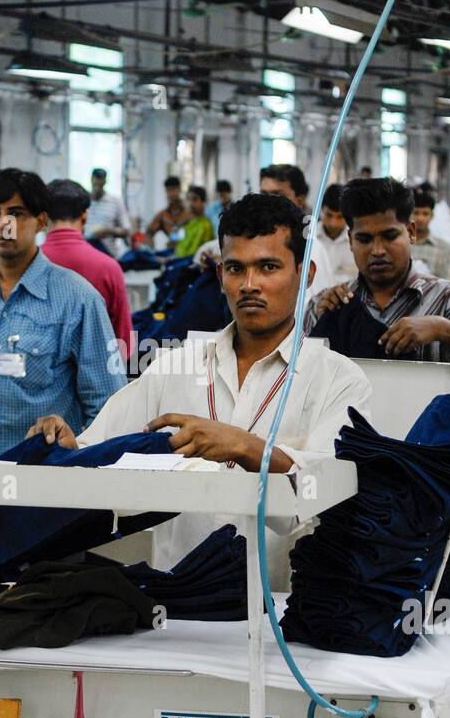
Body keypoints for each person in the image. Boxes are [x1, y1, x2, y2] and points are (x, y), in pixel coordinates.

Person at [26, 192, 371, 591]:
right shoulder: (175, 365)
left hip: (283, 610)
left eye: (268, 267)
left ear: (305, 275)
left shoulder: (339, 381)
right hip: (178, 610)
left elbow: (323, 494)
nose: (249, 285)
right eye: (236, 269)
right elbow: (97, 450)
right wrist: (64, 443)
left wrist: (246, 448)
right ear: (220, 273)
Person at [0, 168, 124, 457]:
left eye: (16, 214)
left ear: (41, 221)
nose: (4, 224)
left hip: (46, 479)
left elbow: (107, 405)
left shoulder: (78, 299)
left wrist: (82, 461)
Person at [304, 178, 450, 363]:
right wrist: (323, 326)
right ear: (350, 240)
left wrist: (445, 331)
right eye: (364, 239)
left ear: (411, 233)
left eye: (389, 236)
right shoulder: (325, 305)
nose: (377, 251)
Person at [42, 178, 134, 358]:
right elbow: (124, 344)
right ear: (85, 216)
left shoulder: (24, 266)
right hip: (93, 379)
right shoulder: (109, 268)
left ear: (43, 216)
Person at [309, 183, 356, 292]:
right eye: (329, 215)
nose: (333, 223)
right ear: (321, 210)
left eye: (340, 217)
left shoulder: (356, 241)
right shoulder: (309, 238)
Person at [85, 167, 132, 256]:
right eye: (95, 184)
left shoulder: (115, 202)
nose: (97, 188)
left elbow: (126, 230)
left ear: (105, 182)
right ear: (91, 180)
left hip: (107, 252)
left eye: (100, 184)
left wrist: (108, 231)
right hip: (85, 251)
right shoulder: (83, 201)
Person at [410, 188, 450, 279]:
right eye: (416, 213)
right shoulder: (401, 245)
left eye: (425, 214)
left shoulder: (444, 249)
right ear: (410, 214)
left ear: (432, 216)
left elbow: (447, 284)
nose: (420, 218)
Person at [145, 176, 188, 245]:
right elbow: (149, 233)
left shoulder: (189, 213)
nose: (171, 194)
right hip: (170, 252)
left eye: (173, 189)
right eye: (168, 190)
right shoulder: (163, 215)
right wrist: (151, 250)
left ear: (179, 189)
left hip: (189, 252)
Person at [174, 185, 214, 258]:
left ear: (203, 202)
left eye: (195, 199)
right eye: (188, 199)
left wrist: (172, 260)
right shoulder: (189, 222)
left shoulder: (205, 225)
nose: (190, 203)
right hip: (178, 258)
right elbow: (180, 246)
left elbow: (194, 254)